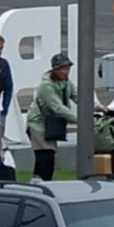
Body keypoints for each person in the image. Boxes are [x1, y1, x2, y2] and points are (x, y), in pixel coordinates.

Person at [24, 52, 77, 183]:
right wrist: (80, 119)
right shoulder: (46, 86)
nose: (66, 72)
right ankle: (39, 183)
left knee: (49, 156)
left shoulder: (66, 83)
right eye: (63, 69)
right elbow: (58, 108)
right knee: (45, 155)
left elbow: (78, 96)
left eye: (67, 68)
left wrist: (98, 107)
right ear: (55, 69)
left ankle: (42, 183)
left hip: (50, 124)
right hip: (37, 124)